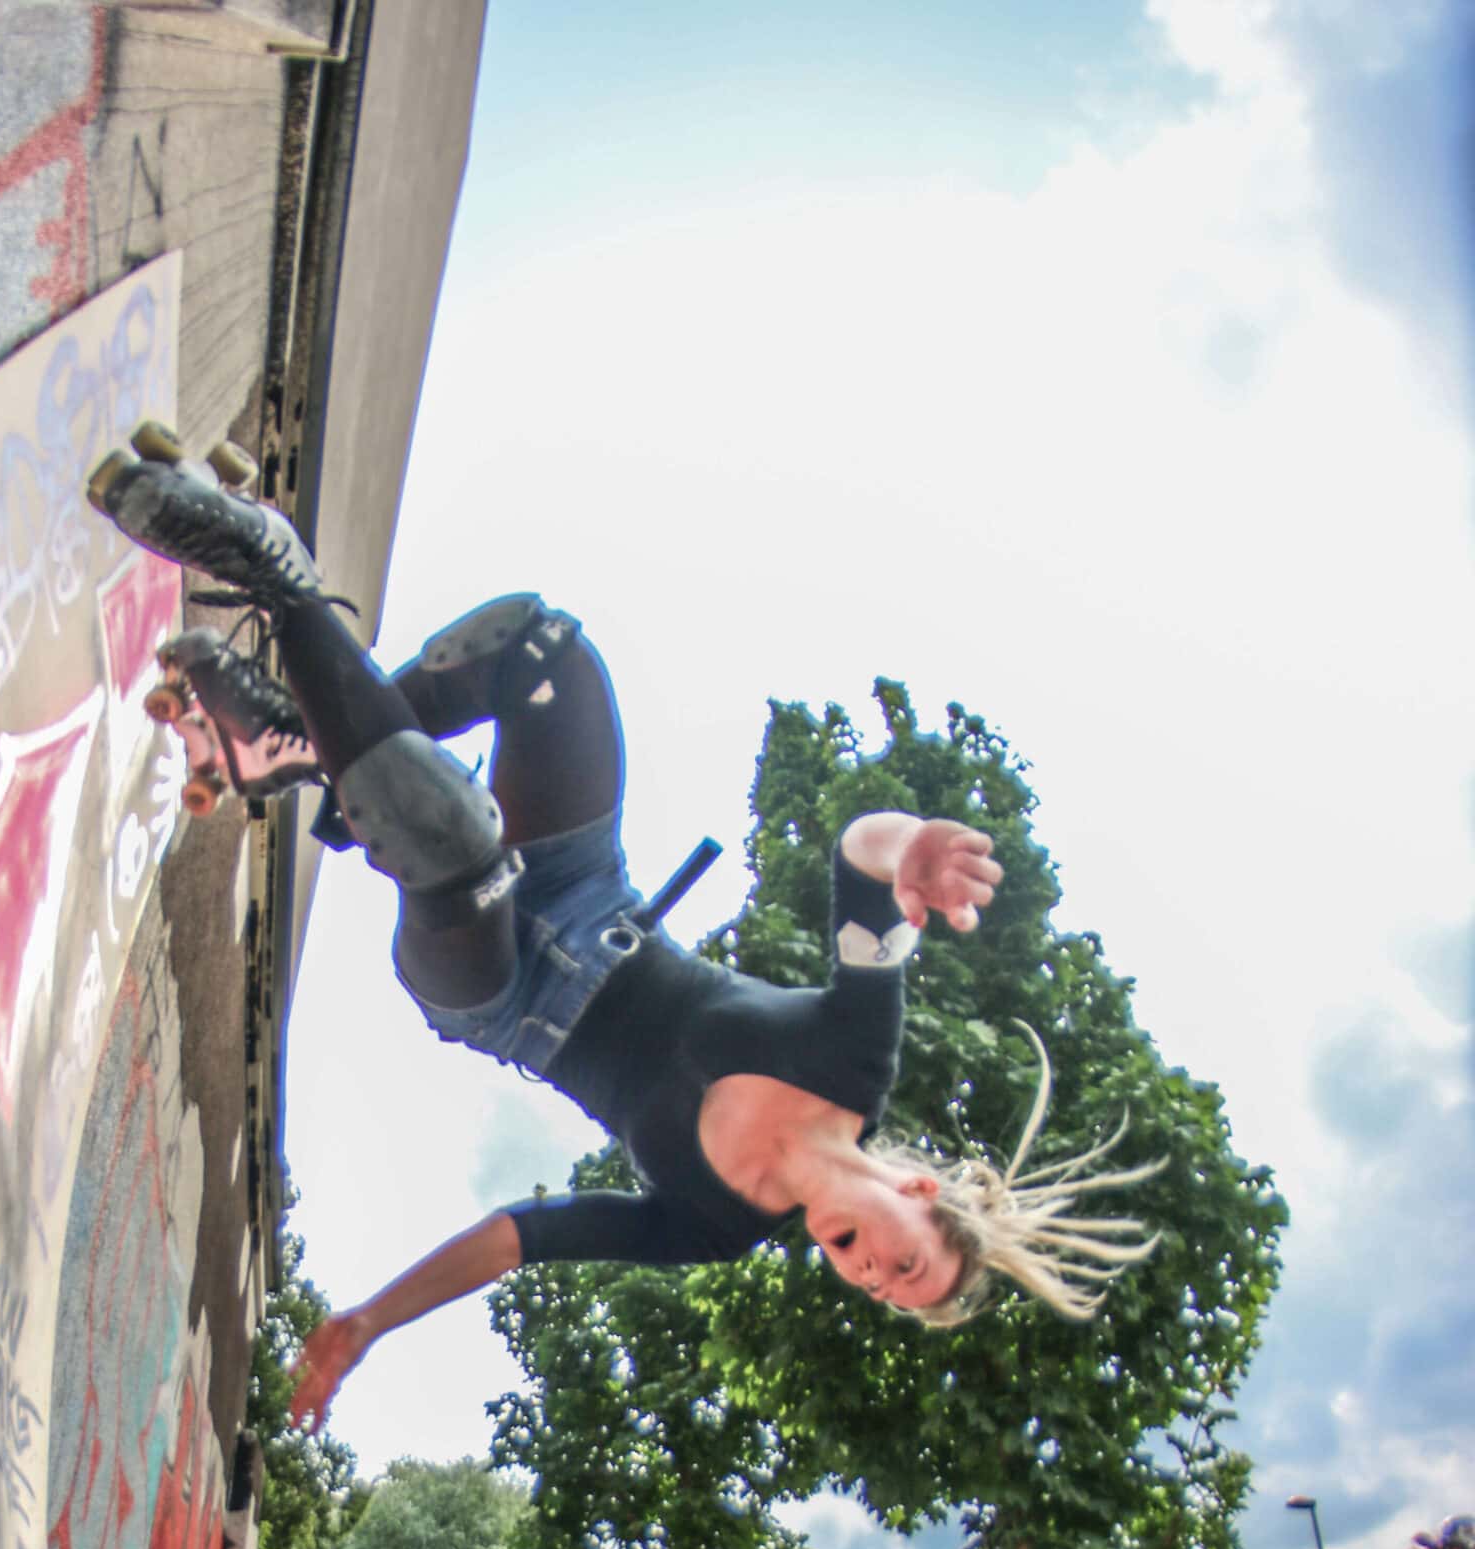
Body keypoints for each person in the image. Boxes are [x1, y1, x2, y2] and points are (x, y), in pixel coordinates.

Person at [86, 443, 1163, 1430]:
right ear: (917, 1195)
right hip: (583, 884)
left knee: (457, 837)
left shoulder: (712, 1226)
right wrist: (913, 840)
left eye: (883, 1292)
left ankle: (268, 569)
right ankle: (297, 752)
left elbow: (521, 1237)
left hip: (497, 989)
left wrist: (369, 1321)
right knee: (539, 647)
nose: (873, 1277)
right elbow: (863, 857)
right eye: (904, 1263)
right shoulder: (854, 1056)